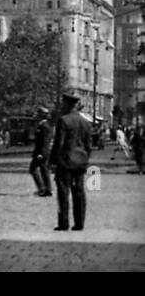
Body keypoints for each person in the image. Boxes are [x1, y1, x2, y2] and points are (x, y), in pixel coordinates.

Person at [50, 94, 93, 231]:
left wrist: (53, 161)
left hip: (65, 162)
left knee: (63, 193)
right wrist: (85, 158)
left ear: (67, 105)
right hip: (80, 162)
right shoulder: (85, 122)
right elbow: (89, 146)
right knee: (79, 192)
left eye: (63, 104)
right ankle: (79, 223)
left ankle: (64, 223)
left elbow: (59, 143)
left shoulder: (64, 120)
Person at [29, 106, 53, 197]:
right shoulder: (44, 125)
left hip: (41, 152)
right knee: (44, 169)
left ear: (41, 115)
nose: (36, 116)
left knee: (33, 169)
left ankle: (42, 188)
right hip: (42, 151)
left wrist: (41, 153)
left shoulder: (44, 126)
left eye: (38, 114)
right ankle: (47, 189)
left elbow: (44, 141)